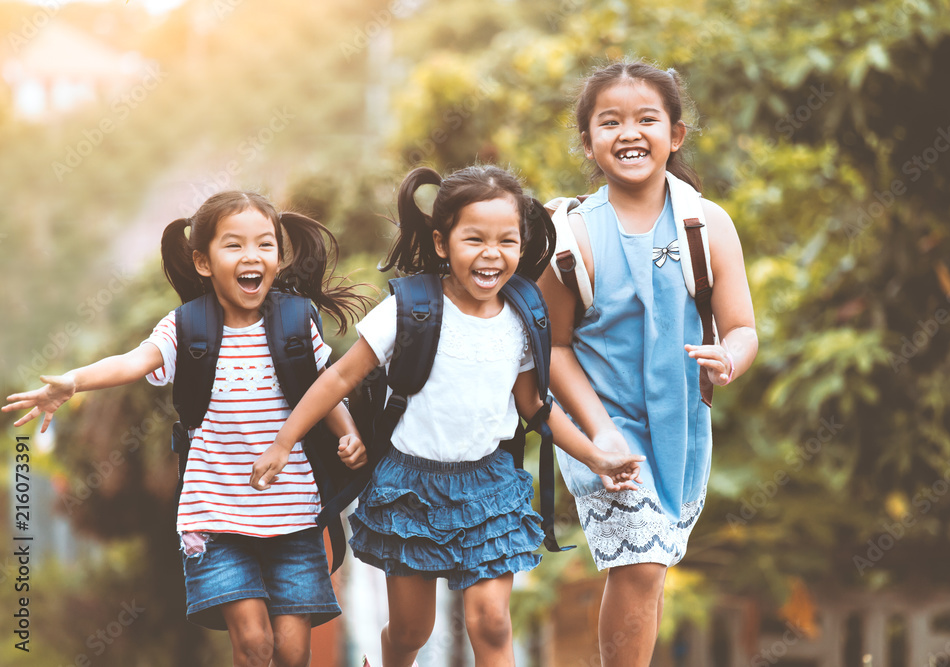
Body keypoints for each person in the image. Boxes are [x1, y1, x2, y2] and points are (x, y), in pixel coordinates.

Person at [250, 164, 645, 667]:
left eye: (506, 241)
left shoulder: (523, 317)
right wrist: (284, 442)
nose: (491, 253)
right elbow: (339, 378)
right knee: (412, 630)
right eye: (474, 239)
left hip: (489, 488)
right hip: (410, 487)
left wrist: (595, 456)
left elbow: (535, 408)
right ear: (442, 242)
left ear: (522, 246)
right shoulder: (410, 309)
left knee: (492, 622)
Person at [4, 191, 371, 667]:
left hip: (293, 514)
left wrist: (348, 433)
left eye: (265, 244)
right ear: (203, 262)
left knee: (293, 651)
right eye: (234, 245)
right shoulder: (188, 327)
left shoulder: (296, 323)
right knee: (255, 644)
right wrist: (74, 381)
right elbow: (133, 362)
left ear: (279, 258)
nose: (252, 256)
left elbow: (325, 385)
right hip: (215, 516)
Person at [537, 60, 758, 666]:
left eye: (646, 119)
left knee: (652, 567)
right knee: (638, 563)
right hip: (600, 422)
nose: (629, 133)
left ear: (675, 134)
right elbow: (553, 348)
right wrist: (600, 433)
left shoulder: (708, 225)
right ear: (588, 142)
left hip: (681, 428)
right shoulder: (571, 238)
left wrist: (730, 357)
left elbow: (742, 328)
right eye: (610, 121)